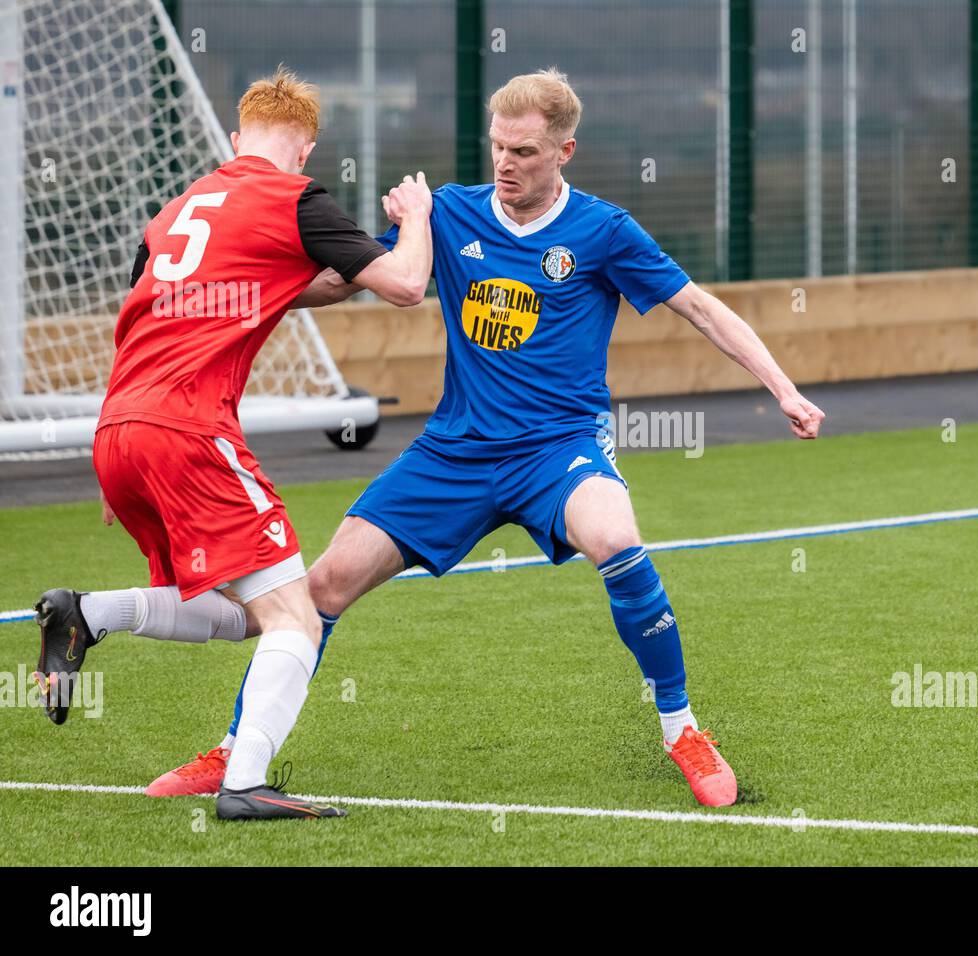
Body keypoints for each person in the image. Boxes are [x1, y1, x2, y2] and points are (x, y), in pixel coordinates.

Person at [81, 68, 824, 809]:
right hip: (453, 453)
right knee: (322, 588)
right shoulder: (448, 213)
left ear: (566, 150)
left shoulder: (603, 230)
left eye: (526, 151)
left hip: (555, 448)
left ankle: (682, 728)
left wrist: (783, 388)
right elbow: (345, 281)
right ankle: (240, 750)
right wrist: (222, 285)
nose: (506, 162)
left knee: (619, 541)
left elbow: (700, 308)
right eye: (498, 146)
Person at [33, 67, 433, 821]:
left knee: (247, 610)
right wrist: (416, 215)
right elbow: (408, 285)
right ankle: (245, 785)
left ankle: (87, 614)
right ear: (307, 150)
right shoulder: (295, 199)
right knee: (298, 617)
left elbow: (177, 308)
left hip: (119, 430)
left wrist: (121, 456)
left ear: (233, 136)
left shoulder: (175, 214)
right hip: (187, 431)